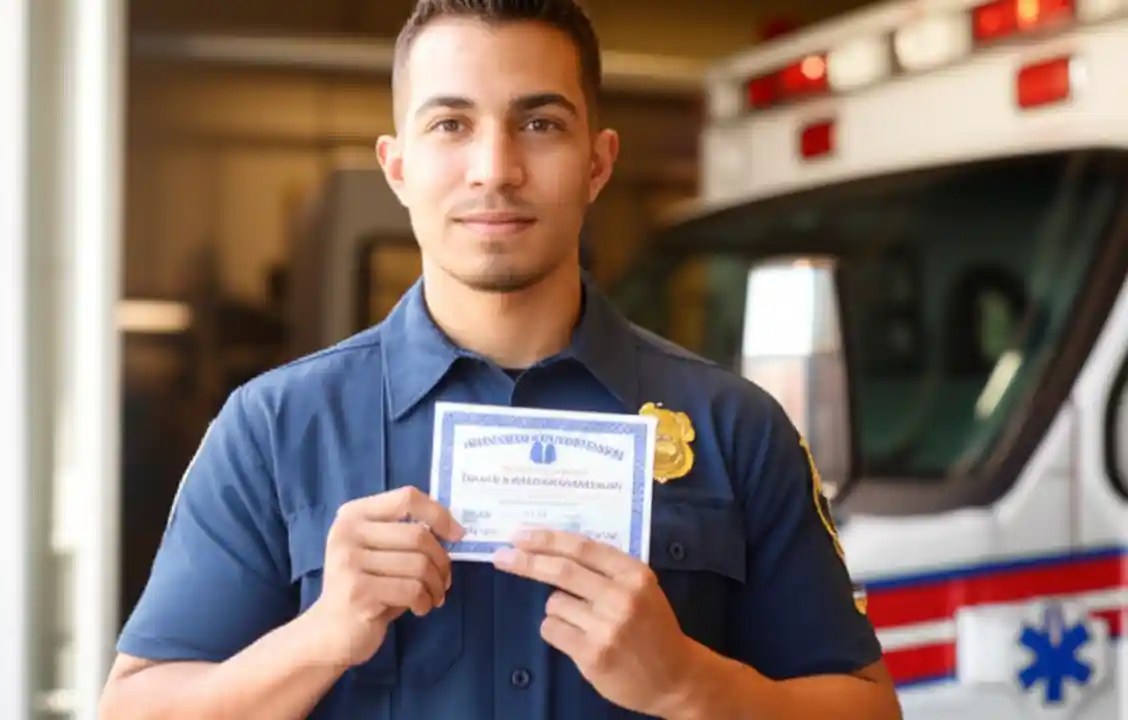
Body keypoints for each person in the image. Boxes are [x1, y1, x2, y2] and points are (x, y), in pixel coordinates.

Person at [99, 1, 903, 718]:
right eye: (450, 124)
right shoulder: (274, 430)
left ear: (598, 162)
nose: (496, 169)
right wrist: (320, 638)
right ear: (398, 166)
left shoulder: (738, 429)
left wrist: (690, 685)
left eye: (540, 123)